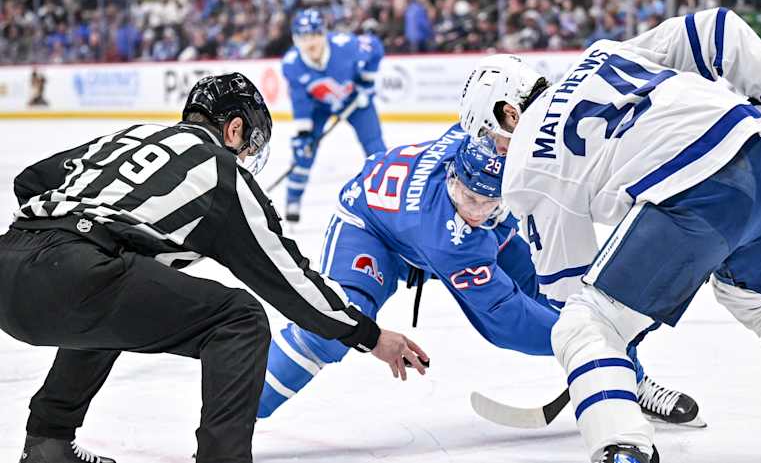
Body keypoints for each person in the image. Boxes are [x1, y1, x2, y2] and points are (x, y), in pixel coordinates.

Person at [458, 8, 761, 463]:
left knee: (583, 327)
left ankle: (622, 450)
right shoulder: (602, 55)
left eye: (492, 137)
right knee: (757, 300)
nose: (498, 150)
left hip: (697, 194)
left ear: (509, 113)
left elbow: (569, 292)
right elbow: (718, 29)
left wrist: (601, 361)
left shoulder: (526, 166)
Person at [0, 72, 427, 463]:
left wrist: (86, 238)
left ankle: (48, 444)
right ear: (234, 128)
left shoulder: (133, 135)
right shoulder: (224, 174)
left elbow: (31, 182)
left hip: (10, 262)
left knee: (111, 294)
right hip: (75, 276)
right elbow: (291, 283)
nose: (248, 155)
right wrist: (370, 336)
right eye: (250, 143)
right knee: (240, 318)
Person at [258, 127, 703, 429]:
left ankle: (628, 376)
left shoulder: (470, 146)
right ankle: (242, 407)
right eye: (464, 195)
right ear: (453, 176)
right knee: (335, 327)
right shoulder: (453, 239)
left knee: (556, 291)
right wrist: (586, 342)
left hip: (424, 224)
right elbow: (507, 323)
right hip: (370, 228)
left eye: (485, 201)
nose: (469, 210)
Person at [282, 9, 387, 222]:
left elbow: (375, 47)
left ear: (324, 34)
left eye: (314, 36)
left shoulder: (345, 45)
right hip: (319, 107)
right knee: (303, 152)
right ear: (295, 39)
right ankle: (293, 199)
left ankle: (388, 193)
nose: (310, 43)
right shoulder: (292, 63)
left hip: (354, 101)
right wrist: (303, 134)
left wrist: (366, 82)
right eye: (303, 38)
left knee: (375, 146)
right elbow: (300, 101)